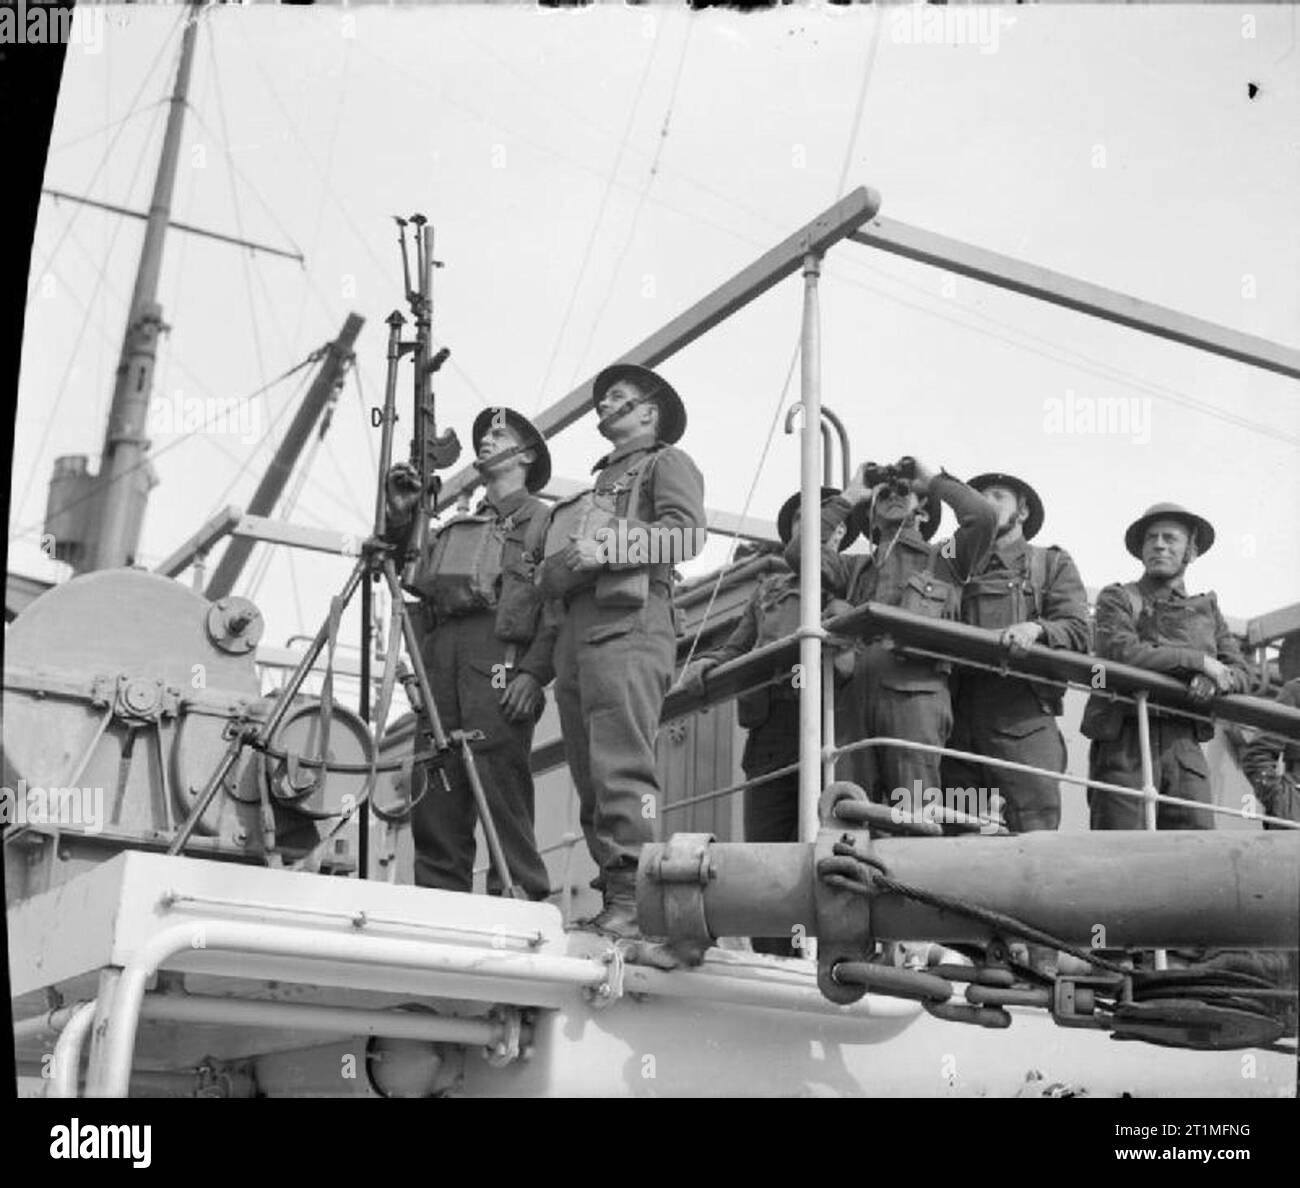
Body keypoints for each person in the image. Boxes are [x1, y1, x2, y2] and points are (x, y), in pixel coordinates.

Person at [535, 362, 706, 943]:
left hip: (631, 628)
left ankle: (638, 901)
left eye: (620, 398)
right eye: (604, 398)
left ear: (648, 413)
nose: (604, 405)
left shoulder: (666, 463)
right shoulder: (599, 484)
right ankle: (616, 894)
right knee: (591, 775)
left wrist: (605, 549)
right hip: (580, 640)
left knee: (623, 769)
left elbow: (687, 535)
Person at [677, 488, 863, 954]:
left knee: (827, 849)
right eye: (805, 519)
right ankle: (772, 956)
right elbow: (737, 647)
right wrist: (708, 663)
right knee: (767, 855)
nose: (816, 529)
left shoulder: (855, 580)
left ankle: (836, 953)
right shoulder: (770, 590)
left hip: (830, 732)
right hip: (770, 732)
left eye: (828, 524)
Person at [386, 406, 554, 899]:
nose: (486, 441)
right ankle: (441, 902)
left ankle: (519, 897)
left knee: (498, 784)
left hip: (497, 659)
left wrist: (533, 674)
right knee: (435, 782)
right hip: (442, 660)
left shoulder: (542, 521)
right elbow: (408, 572)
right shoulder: (457, 527)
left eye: (499, 436)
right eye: (484, 435)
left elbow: (556, 606)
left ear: (524, 456)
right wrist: (402, 516)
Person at [789, 458, 997, 810]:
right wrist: (850, 495)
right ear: (869, 515)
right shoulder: (854, 569)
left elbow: (984, 518)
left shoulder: (943, 558)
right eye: (883, 493)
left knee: (914, 812)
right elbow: (799, 552)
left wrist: (931, 481)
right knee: (848, 810)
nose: (893, 496)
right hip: (853, 701)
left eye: (904, 492)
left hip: (914, 697)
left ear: (925, 512)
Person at [1081, 503, 1250, 830]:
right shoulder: (1117, 598)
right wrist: (1198, 662)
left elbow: (1241, 674)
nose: (1159, 545)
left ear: (1192, 550)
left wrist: (1214, 681)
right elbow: (1121, 651)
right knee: (1120, 852)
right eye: (1151, 539)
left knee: (1197, 855)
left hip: (1184, 749)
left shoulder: (1209, 611)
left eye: (1170, 538)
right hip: (1124, 742)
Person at [941, 473, 1090, 832]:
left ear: (1022, 511)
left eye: (997, 496)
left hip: (1023, 719)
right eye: (978, 498)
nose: (986, 503)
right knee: (957, 838)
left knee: (1035, 832)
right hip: (958, 721)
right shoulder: (951, 564)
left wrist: (1036, 628)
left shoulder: (1050, 564)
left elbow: (1080, 631)